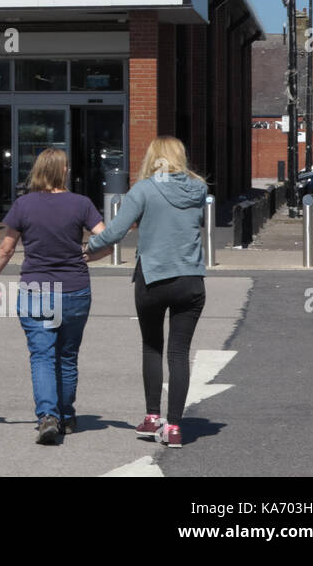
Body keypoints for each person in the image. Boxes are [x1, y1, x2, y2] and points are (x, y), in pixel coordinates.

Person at [86, 136, 207, 449]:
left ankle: (153, 417)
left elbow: (116, 231)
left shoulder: (143, 190)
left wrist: (89, 249)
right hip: (191, 281)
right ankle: (175, 426)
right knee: (179, 353)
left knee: (152, 346)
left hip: (153, 279)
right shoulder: (198, 189)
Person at [0, 148, 106, 445]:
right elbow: (106, 237)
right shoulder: (81, 203)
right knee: (67, 355)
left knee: (42, 355)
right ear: (62, 171)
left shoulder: (24, 205)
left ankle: (48, 416)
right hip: (75, 287)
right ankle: (66, 415)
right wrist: (89, 255)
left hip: (37, 288)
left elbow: (6, 248)